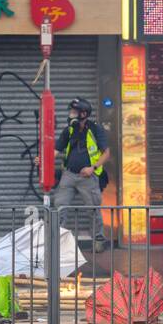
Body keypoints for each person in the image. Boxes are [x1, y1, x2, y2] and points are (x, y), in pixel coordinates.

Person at [50, 97, 110, 252]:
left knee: (93, 210)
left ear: (83, 114)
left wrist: (93, 167)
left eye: (74, 111)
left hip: (88, 177)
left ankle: (99, 241)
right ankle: (56, 242)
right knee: (59, 207)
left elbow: (106, 154)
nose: (70, 114)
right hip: (69, 175)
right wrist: (43, 160)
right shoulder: (69, 130)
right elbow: (56, 151)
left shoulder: (95, 129)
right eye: (70, 111)